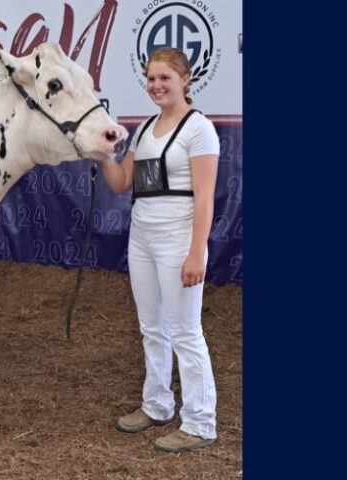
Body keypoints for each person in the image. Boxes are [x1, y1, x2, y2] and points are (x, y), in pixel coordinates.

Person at [98, 47, 220, 453]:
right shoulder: (145, 128)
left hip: (178, 237)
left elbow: (204, 199)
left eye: (165, 78)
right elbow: (121, 183)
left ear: (185, 79)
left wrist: (195, 252)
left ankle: (200, 422)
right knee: (151, 326)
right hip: (143, 236)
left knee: (186, 331)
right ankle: (157, 404)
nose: (156, 86)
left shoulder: (198, 129)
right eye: (151, 78)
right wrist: (103, 153)